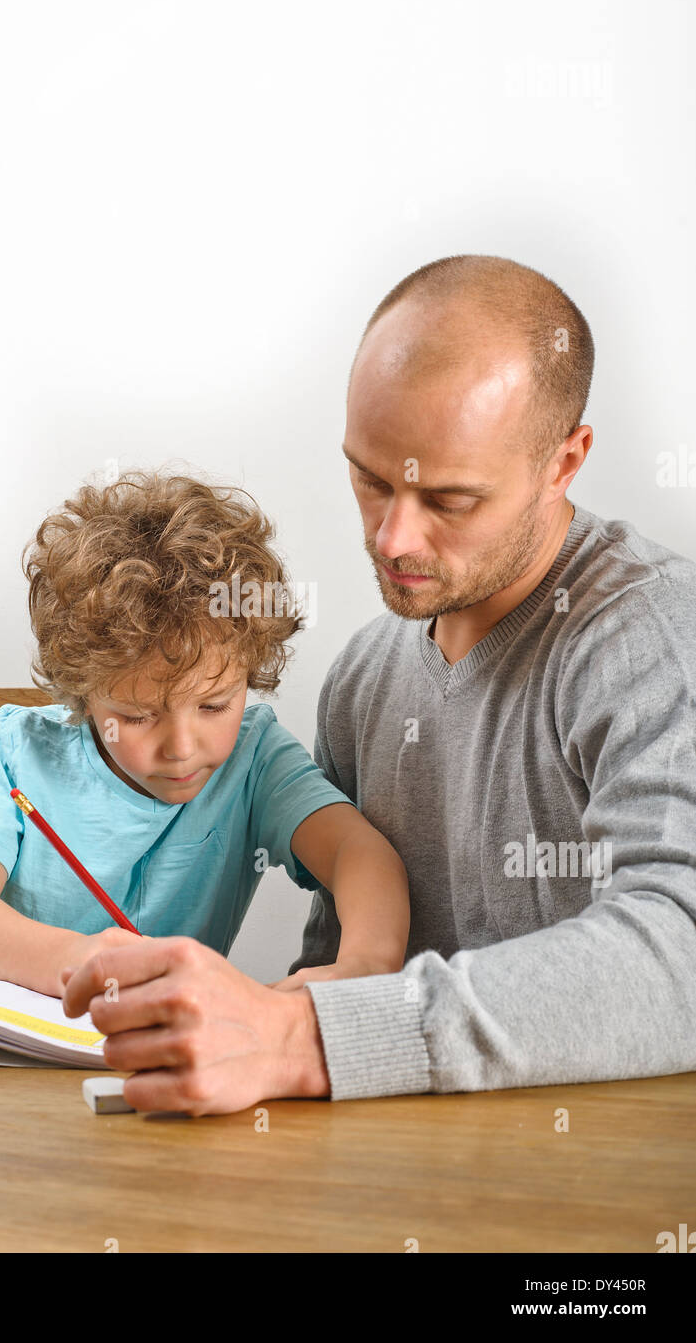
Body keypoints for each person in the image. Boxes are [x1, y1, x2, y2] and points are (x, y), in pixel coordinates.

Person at [61, 253, 696, 1114]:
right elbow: (335, 977)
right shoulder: (363, 678)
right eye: (369, 479)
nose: (393, 539)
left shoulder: (650, 634)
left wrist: (305, 1037)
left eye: (450, 500)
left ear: (563, 461)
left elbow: (677, 954)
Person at [0, 472, 410, 995]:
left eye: (215, 705)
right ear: (83, 690)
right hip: (9, 1055)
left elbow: (358, 854)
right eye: (136, 716)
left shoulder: (256, 757)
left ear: (250, 674)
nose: (181, 747)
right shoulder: (16, 752)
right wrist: (84, 959)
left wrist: (365, 963)